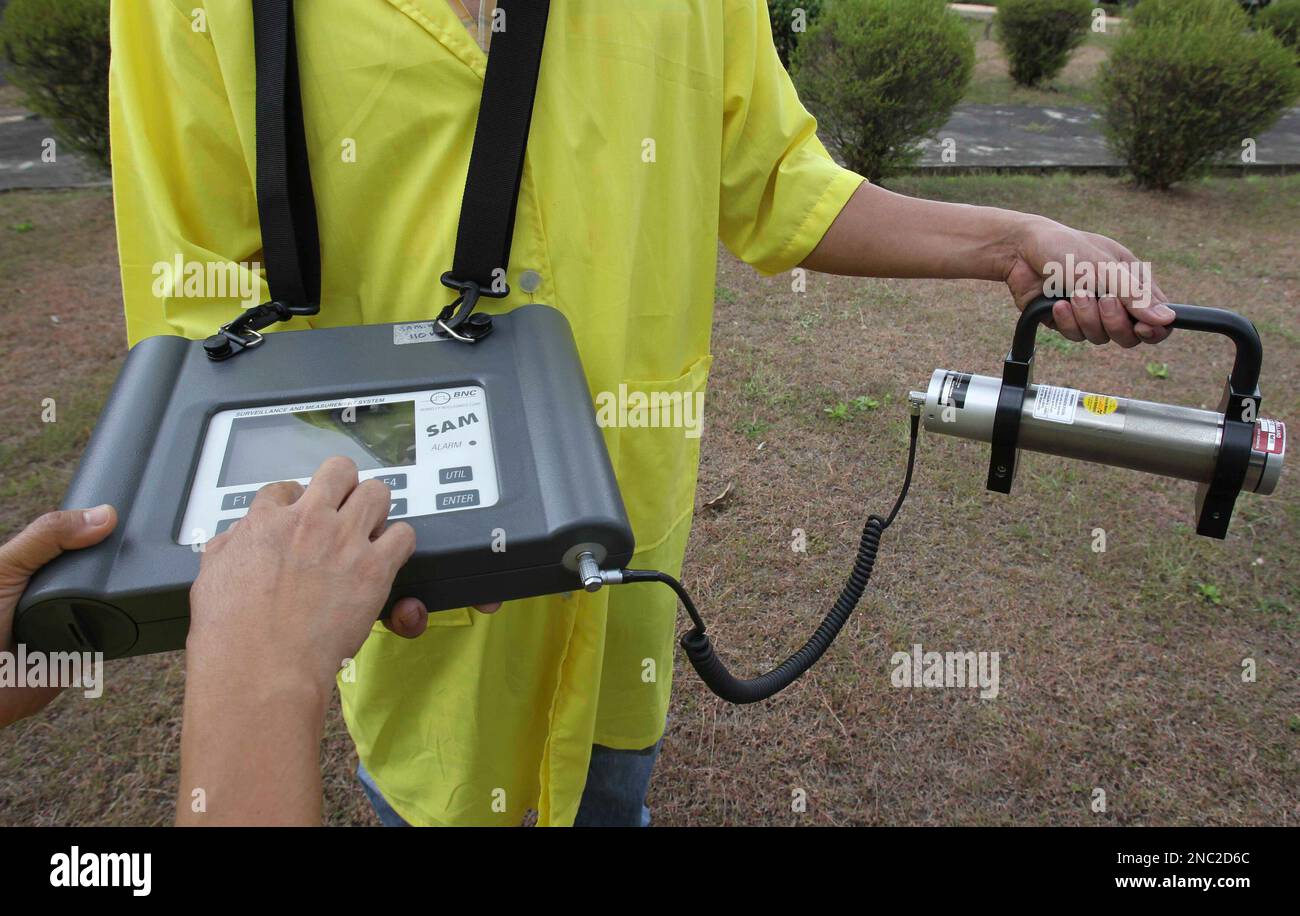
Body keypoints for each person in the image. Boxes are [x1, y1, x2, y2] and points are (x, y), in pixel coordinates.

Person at [108, 1, 1174, 826]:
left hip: (623, 585)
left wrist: (1008, 240)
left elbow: (778, 183)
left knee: (612, 792)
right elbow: (193, 303)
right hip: (410, 610)